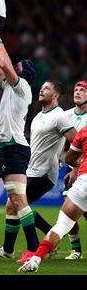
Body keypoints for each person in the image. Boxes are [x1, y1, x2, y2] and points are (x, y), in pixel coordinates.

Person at [0, 77, 76, 263]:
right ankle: (17, 246)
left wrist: (70, 163)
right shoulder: (38, 115)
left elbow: (76, 141)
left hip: (44, 173)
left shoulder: (59, 115)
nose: (41, 90)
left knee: (16, 204)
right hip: (32, 169)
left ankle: (29, 247)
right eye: (41, 87)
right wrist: (57, 154)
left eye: (47, 88)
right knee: (15, 205)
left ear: (56, 95)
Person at [0, 23, 39, 262]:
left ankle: (34, 248)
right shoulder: (11, 88)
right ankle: (7, 250)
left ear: (22, 72)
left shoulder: (22, 86)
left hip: (14, 147)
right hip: (9, 148)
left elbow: (4, 65)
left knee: (18, 199)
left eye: (17, 66)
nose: (12, 66)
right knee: (11, 205)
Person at [18, 125, 87, 273]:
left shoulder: (84, 130)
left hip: (84, 181)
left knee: (62, 225)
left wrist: (79, 165)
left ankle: (35, 260)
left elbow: (69, 158)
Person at [63, 80, 87, 259]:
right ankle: (76, 249)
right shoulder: (65, 115)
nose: (77, 92)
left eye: (82, 90)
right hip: (71, 168)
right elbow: (58, 140)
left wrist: (76, 168)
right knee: (68, 210)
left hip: (84, 170)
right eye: (76, 90)